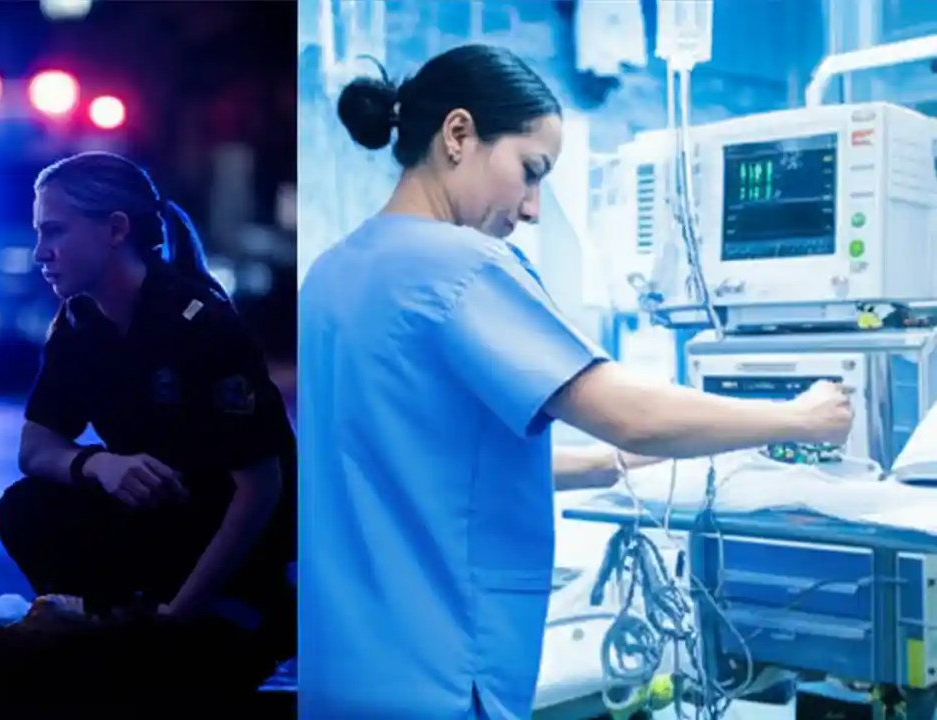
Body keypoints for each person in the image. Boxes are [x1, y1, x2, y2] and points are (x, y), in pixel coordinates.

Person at [297, 44, 854, 720]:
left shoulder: (330, 273)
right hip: (438, 678)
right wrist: (801, 417)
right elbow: (629, 413)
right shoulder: (463, 266)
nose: (532, 208)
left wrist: (600, 466)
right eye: (530, 172)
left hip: (340, 676)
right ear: (459, 134)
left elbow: (404, 461)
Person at [0, 151, 296, 704]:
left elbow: (261, 491)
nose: (41, 253)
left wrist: (177, 616)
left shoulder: (201, 326)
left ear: (115, 230)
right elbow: (35, 447)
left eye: (55, 232)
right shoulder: (80, 324)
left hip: (229, 566)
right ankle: (106, 630)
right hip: (152, 536)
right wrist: (97, 464)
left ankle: (164, 634)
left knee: (155, 681)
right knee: (26, 508)